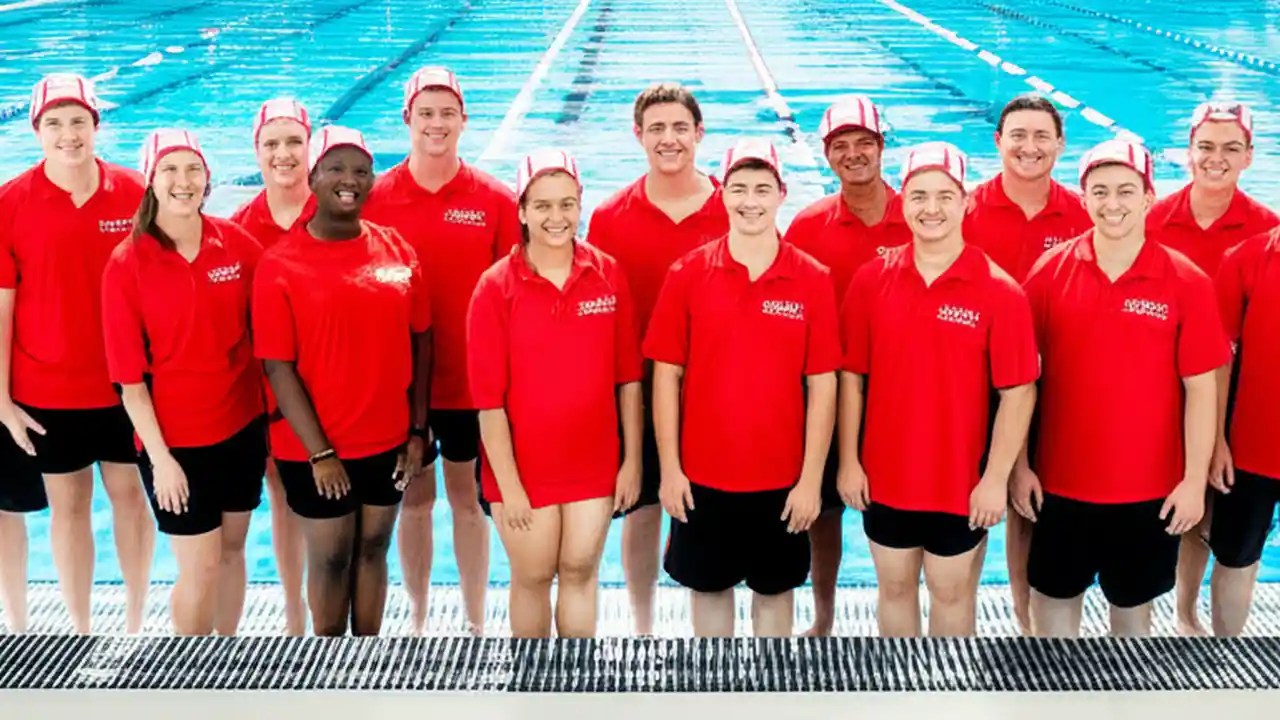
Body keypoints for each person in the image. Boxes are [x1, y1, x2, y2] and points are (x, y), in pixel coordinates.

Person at [1016, 139, 1229, 637]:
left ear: (1148, 197)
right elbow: (1020, 380)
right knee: (1053, 611)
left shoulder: (1185, 280)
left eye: (1126, 191)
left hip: (1151, 489)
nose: (1113, 203)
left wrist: (1193, 481)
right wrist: (1020, 466)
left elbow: (1201, 390)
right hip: (1060, 484)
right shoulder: (1050, 274)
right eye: (1101, 191)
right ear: (1083, 197)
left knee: (1133, 620)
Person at [840, 142, 1037, 637]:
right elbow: (852, 380)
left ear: (966, 201)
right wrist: (848, 461)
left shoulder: (999, 291)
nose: (931, 209)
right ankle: (902, 698)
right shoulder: (870, 282)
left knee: (952, 593)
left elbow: (1018, 393)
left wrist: (995, 479)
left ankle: (948, 702)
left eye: (944, 196)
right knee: (895, 590)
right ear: (902, 202)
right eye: (919, 196)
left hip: (958, 479)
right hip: (887, 474)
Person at [644, 138, 839, 638]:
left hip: (782, 478)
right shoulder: (687, 274)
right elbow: (666, 377)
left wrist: (811, 480)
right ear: (721, 195)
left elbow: (822, 385)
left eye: (762, 188)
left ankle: (769, 703)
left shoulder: (812, 279)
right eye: (738, 189)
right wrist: (670, 470)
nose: (750, 201)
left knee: (775, 595)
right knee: (708, 591)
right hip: (702, 477)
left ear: (781, 193)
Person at [252, 126, 432, 637]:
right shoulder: (280, 264)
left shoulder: (397, 250)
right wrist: (320, 454)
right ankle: (327, 667)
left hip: (387, 440)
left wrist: (418, 432)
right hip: (314, 449)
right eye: (335, 168)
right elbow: (277, 367)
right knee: (330, 559)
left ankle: (367, 659)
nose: (349, 180)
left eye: (360, 170)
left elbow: (422, 341)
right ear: (312, 177)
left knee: (373, 550)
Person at [363, 66, 517, 636]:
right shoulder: (376, 197)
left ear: (464, 121)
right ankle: (421, 617)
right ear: (407, 119)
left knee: (469, 504)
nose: (436, 123)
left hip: (473, 385)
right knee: (416, 504)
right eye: (426, 112)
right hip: (401, 386)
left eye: (447, 113)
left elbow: (514, 298)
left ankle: (477, 620)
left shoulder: (496, 201)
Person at [0, 73, 154, 634]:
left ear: (96, 125)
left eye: (79, 122)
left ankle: (136, 621)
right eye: (55, 124)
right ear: (37, 130)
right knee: (69, 509)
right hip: (46, 389)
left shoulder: (134, 191)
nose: (69, 135)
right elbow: (3, 306)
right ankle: (81, 627)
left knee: (129, 501)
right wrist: (0, 398)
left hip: (125, 386)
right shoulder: (13, 201)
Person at [468, 149, 643, 638]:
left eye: (567, 204)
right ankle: (533, 690)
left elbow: (628, 379)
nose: (556, 217)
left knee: (581, 572)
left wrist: (630, 462)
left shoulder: (607, 274)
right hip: (523, 465)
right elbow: (489, 402)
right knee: (533, 576)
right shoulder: (495, 288)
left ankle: (575, 689)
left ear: (580, 205)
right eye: (542, 205)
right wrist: (510, 485)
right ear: (521, 211)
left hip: (593, 460)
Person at [102, 129, 267, 636]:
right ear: (151, 181)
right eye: (170, 170)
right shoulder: (127, 264)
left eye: (193, 169)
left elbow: (270, 333)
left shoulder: (238, 246)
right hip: (176, 444)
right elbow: (129, 382)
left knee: (233, 551)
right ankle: (187, 677)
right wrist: (162, 461)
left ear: (208, 179)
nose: (183, 181)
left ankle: (227, 655)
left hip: (240, 428)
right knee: (198, 566)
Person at [586, 82, 729, 635]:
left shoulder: (735, 207)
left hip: (716, 395)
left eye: (679, 128)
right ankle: (643, 624)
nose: (668, 140)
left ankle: (711, 629)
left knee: (712, 512)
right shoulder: (610, 217)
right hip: (639, 392)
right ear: (638, 136)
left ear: (699, 133)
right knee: (641, 509)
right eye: (656, 129)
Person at [1145, 101, 1280, 636]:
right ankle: (1171, 610)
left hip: (1229, 390)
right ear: (1188, 153)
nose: (1216, 159)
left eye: (1230, 148)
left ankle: (1192, 618)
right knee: (1177, 503)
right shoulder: (1152, 221)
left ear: (1249, 156)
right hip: (1158, 384)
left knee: (1217, 510)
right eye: (1206, 146)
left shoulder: (1264, 231)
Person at [962, 93, 1092, 634]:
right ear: (998, 142)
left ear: (1060, 145)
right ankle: (962, 617)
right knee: (968, 506)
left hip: (1057, 384)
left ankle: (1025, 620)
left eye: (1042, 136)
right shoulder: (965, 209)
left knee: (1030, 505)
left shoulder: (1085, 211)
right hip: (973, 386)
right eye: (1018, 135)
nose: (1029, 147)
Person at [783, 95, 910, 636]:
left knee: (904, 511)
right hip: (832, 389)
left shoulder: (922, 213)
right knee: (826, 510)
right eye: (841, 146)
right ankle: (825, 614)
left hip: (906, 391)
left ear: (883, 147)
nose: (853, 154)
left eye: (864, 143)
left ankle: (903, 611)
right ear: (826, 155)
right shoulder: (809, 227)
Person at [228, 98, 314, 635]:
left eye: (293, 142)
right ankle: (292, 610)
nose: (283, 155)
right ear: (257, 153)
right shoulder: (238, 227)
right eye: (271, 144)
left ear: (310, 147)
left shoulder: (336, 214)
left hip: (327, 386)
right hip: (259, 390)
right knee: (281, 497)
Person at [1207, 225, 1280, 636]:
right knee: (1235, 556)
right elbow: (1219, 359)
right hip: (1251, 449)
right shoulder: (1247, 258)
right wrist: (1216, 441)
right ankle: (1226, 651)